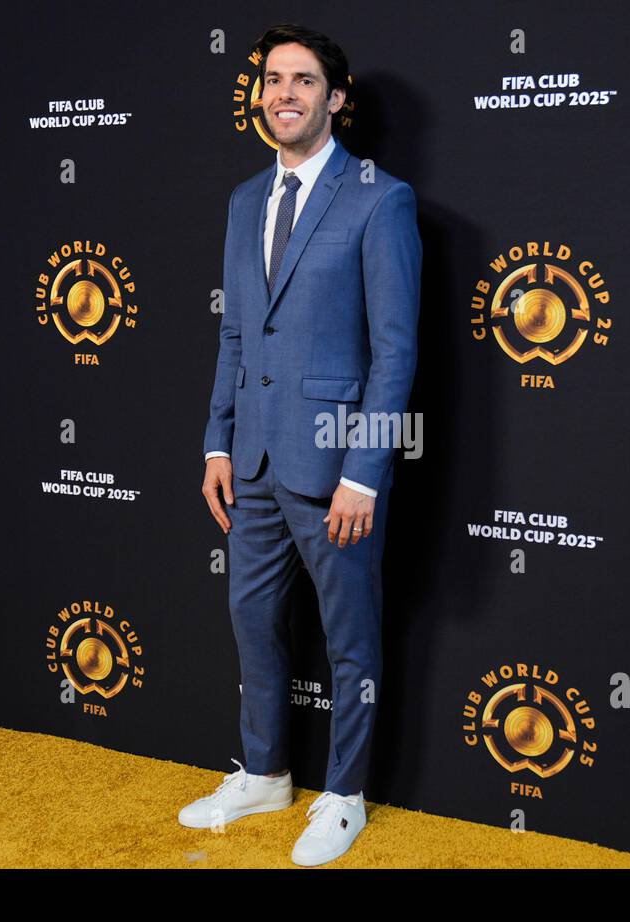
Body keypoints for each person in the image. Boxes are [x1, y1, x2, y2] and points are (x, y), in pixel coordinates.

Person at [181, 22, 421, 867]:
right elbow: (236, 336)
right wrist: (217, 443)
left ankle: (345, 794)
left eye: (305, 81)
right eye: (274, 79)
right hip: (250, 462)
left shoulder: (378, 198)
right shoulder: (247, 199)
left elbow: (396, 351)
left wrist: (365, 469)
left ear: (337, 99)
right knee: (253, 622)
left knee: (350, 634)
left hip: (335, 468)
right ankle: (265, 771)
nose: (285, 93)